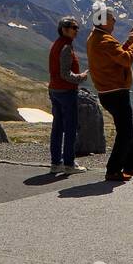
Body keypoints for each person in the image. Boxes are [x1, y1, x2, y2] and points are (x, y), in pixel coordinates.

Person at [87, 9, 133, 183]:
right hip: (115, 92)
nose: (115, 23)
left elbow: (116, 54)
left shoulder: (96, 37)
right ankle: (113, 170)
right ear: (104, 22)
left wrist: (129, 40)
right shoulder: (104, 40)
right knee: (125, 132)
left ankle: (129, 165)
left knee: (129, 128)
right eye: (113, 20)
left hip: (110, 91)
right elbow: (126, 59)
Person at [48, 16, 89, 176]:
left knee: (57, 127)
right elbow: (65, 74)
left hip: (55, 90)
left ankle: (55, 163)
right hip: (66, 91)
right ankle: (69, 164)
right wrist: (81, 77)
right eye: (73, 27)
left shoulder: (57, 44)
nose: (76, 30)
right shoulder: (65, 47)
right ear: (64, 29)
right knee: (70, 128)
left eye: (77, 27)